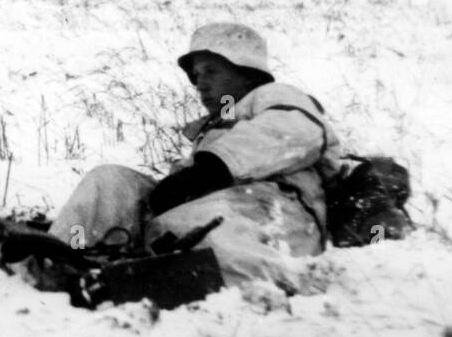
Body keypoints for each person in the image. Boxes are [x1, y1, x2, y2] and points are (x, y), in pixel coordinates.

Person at [43, 23, 343, 290]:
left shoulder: (276, 96)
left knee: (183, 228)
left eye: (212, 71)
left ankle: (127, 282)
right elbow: (197, 176)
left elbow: (294, 132)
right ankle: (53, 259)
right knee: (109, 181)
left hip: (278, 212)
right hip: (220, 208)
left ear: (248, 75)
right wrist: (179, 181)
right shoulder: (217, 126)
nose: (200, 83)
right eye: (196, 74)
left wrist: (210, 169)